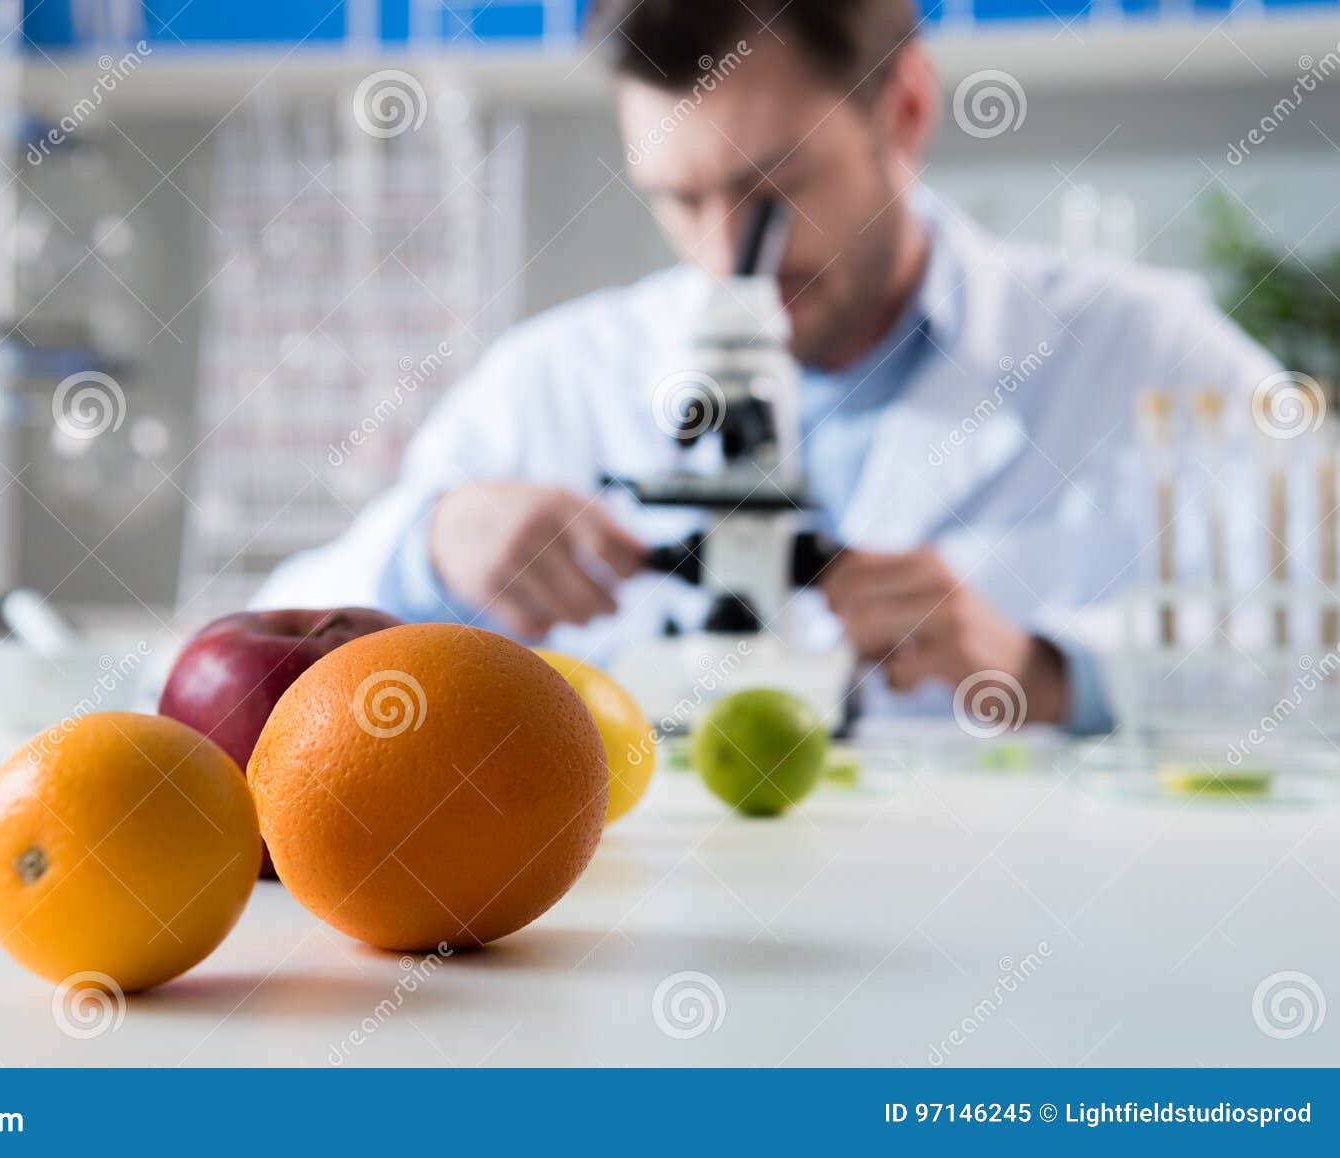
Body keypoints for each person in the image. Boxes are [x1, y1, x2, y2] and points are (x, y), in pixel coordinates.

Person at [257, 0, 1277, 734]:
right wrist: (429, 547)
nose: (722, 253)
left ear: (907, 114)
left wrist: (1057, 675)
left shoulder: (1144, 354)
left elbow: (1308, 658)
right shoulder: (554, 381)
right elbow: (240, 670)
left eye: (772, 187)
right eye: (678, 198)